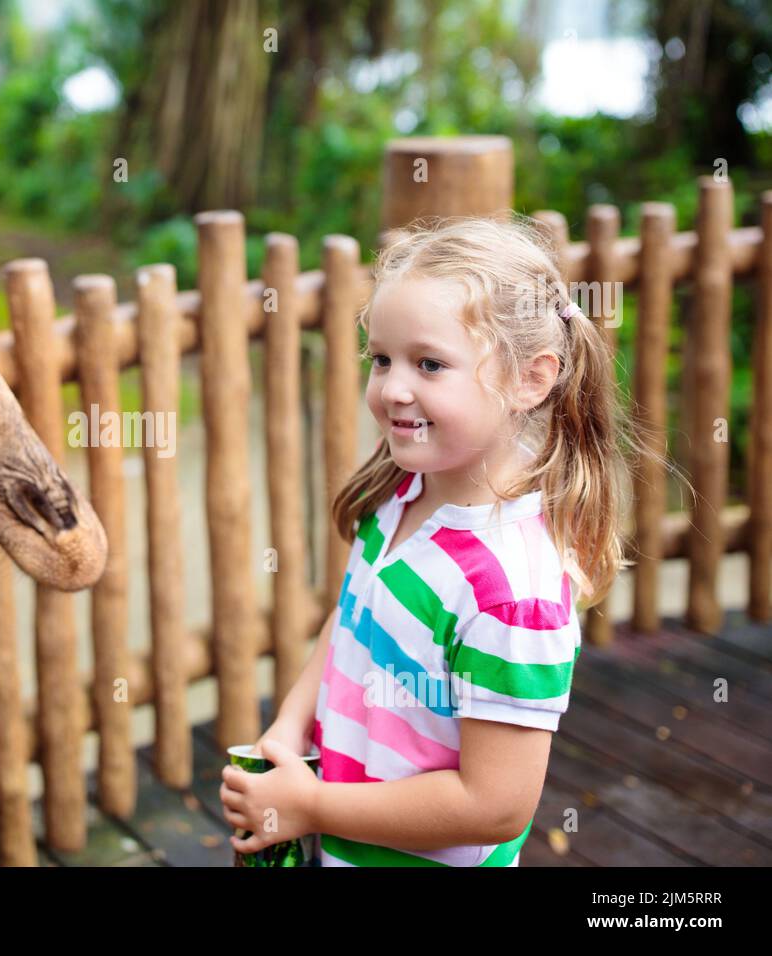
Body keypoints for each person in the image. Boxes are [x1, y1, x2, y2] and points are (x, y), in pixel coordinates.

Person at [221, 215, 676, 866]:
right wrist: (289, 732)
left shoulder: (510, 592)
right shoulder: (403, 496)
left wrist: (313, 807)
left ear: (530, 379)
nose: (394, 387)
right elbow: (353, 619)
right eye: (382, 359)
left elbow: (494, 805)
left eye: (429, 363)